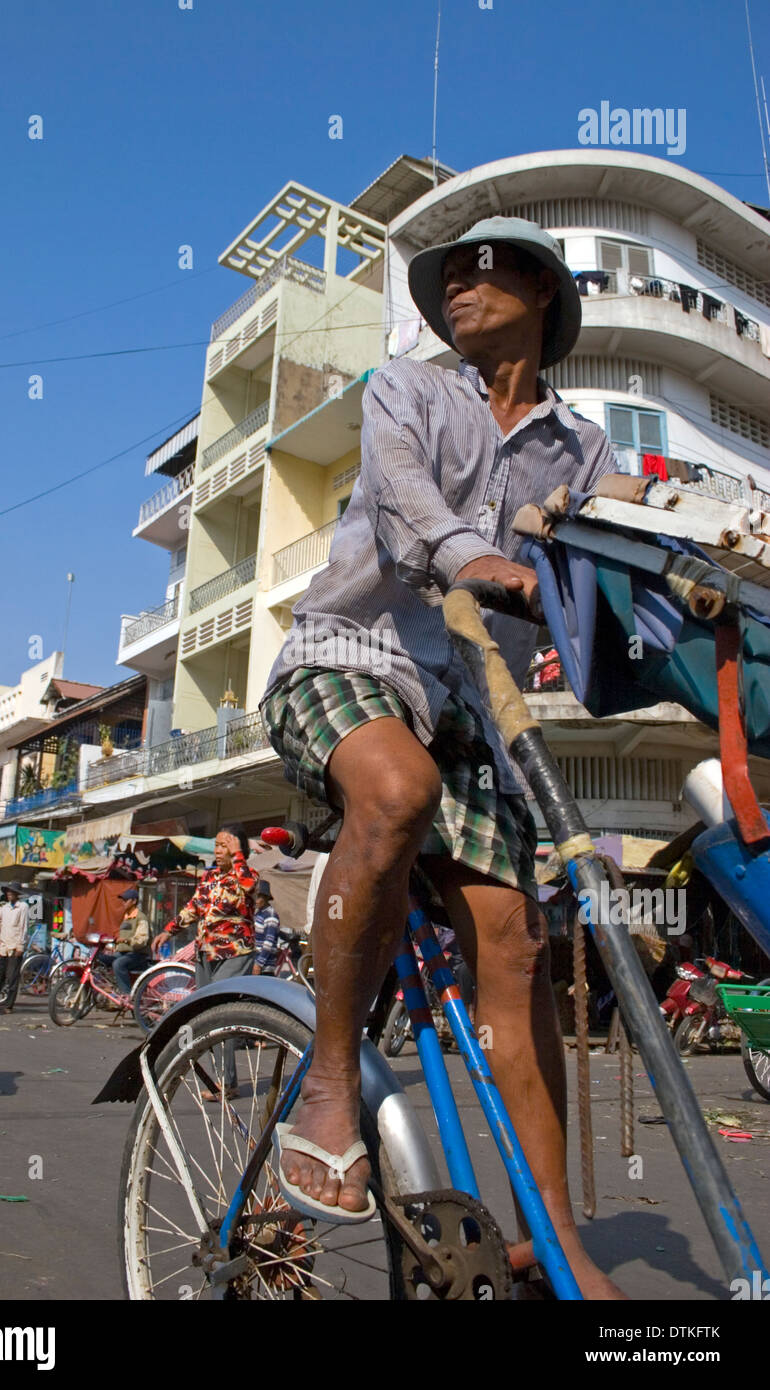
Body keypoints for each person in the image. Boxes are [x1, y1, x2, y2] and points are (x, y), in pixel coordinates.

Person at [260, 216, 625, 1297]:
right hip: (350, 654)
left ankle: (553, 1237)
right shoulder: (406, 390)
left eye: (482, 270)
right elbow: (401, 501)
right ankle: (331, 1085)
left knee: (514, 944)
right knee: (395, 789)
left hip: (469, 701)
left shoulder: (583, 451)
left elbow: (605, 567)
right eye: (447, 277)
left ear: (542, 292)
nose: (457, 288)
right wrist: (479, 558)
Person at [153, 823, 258, 1099]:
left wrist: (238, 855)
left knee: (219, 1011)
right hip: (205, 953)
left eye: (225, 845)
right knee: (207, 1016)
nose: (218, 851)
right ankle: (222, 1081)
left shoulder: (246, 874)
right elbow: (193, 908)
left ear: (238, 848)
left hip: (235, 953)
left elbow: (248, 887)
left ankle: (227, 1083)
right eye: (217, 846)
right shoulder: (210, 877)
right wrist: (169, 930)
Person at [0, 882, 29, 1013]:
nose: (9, 894)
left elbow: (24, 927)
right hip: (3, 946)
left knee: (12, 978)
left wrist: (21, 946)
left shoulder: (23, 907)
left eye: (12, 892)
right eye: (8, 892)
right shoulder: (5, 907)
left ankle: (8, 1005)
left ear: (17, 894)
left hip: (15, 946)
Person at [111, 887, 152, 1001]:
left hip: (139, 955)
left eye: (126, 900)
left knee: (118, 964)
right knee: (102, 959)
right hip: (124, 953)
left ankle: (127, 995)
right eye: (123, 900)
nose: (123, 903)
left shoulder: (141, 918)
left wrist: (126, 940)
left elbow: (142, 940)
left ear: (134, 901)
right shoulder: (126, 916)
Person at [252, 881, 281, 976]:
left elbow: (268, 942)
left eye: (259, 897)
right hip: (255, 961)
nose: (256, 900)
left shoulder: (270, 916)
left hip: (264, 967)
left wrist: (258, 964)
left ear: (266, 898)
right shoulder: (258, 913)